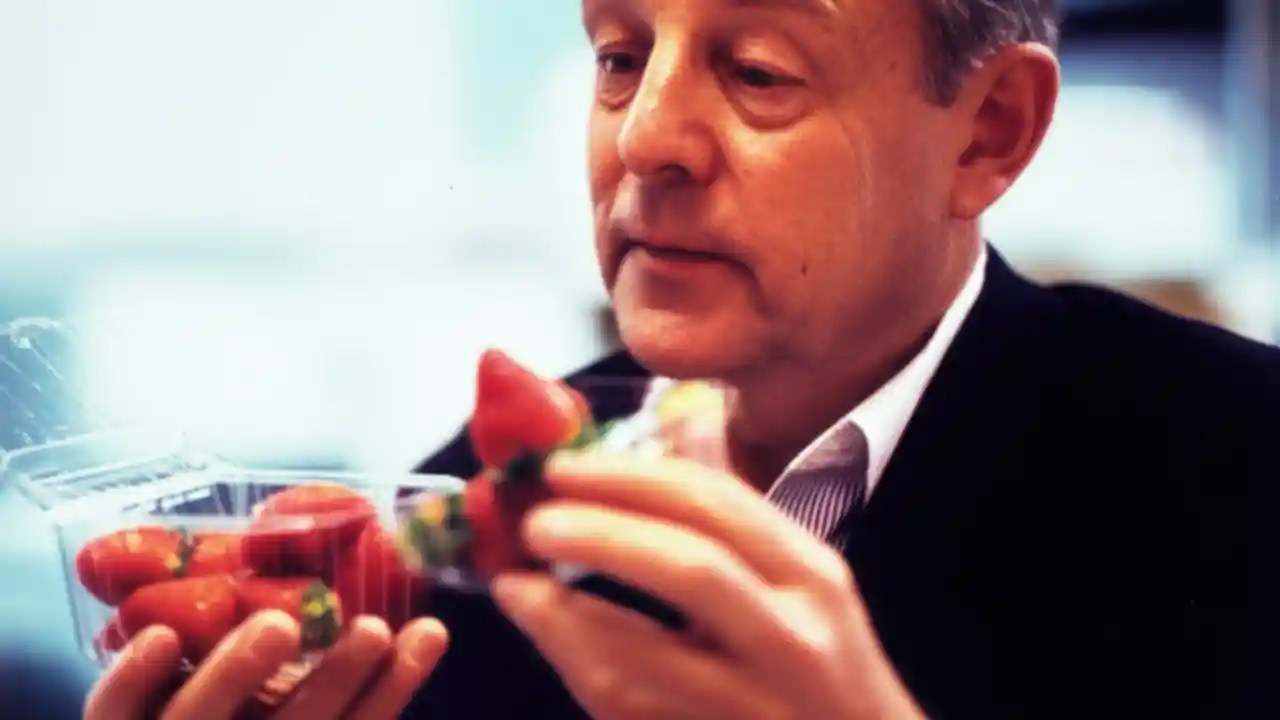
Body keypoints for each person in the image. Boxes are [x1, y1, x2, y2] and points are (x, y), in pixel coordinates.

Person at [86, 0, 1280, 717]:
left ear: (988, 133)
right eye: (618, 55)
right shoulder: (464, 513)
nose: (645, 136)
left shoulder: (1241, 469)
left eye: (756, 70)